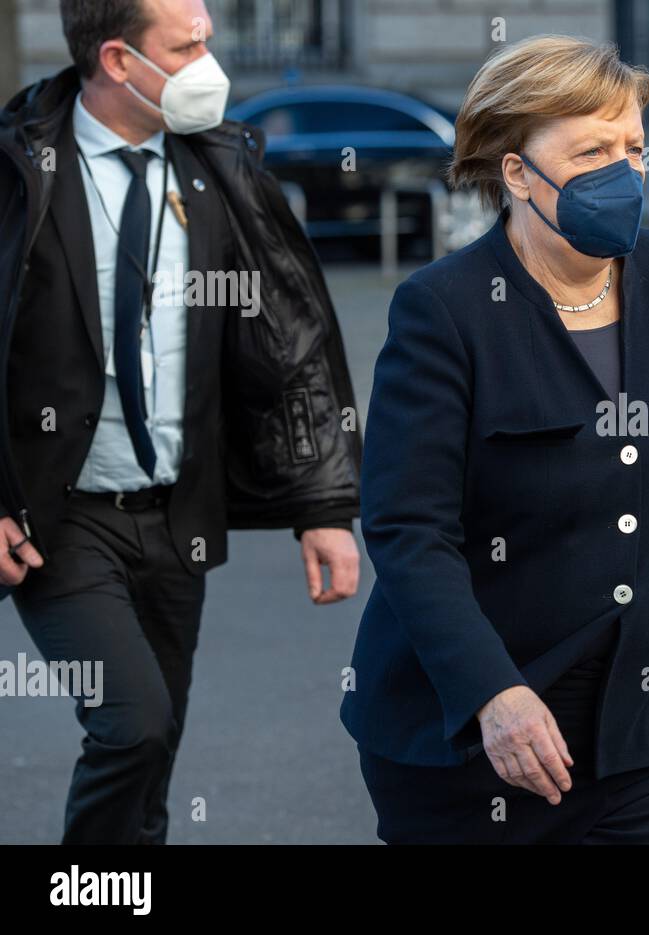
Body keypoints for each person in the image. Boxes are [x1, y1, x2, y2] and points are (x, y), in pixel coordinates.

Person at [342, 34, 649, 844]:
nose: (622, 172)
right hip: (483, 750)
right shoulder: (444, 310)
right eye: (591, 150)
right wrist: (494, 693)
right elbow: (409, 530)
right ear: (517, 172)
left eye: (633, 147)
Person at [0, 0, 363, 844]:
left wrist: (323, 507)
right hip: (61, 518)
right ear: (120, 61)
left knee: (152, 748)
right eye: (188, 43)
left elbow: (291, 341)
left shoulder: (223, 169)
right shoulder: (21, 170)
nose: (211, 59)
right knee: (130, 722)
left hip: (178, 515)